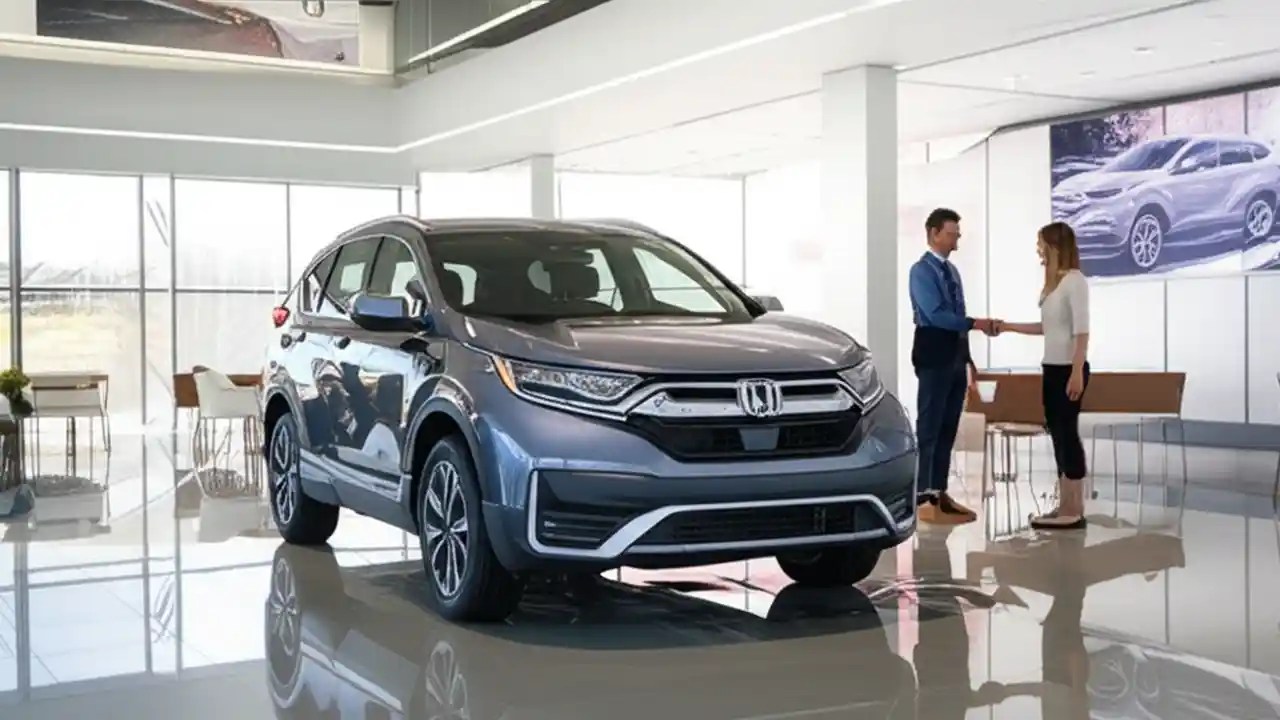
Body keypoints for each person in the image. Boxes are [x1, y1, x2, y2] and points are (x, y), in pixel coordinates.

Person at [992, 221, 1091, 530]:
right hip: (1051, 368)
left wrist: (1077, 371)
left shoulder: (1075, 281)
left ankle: (1074, 508)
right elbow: (1047, 329)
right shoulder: (1053, 287)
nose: (1038, 251)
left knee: (1067, 434)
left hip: (1068, 369)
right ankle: (1064, 505)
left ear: (1054, 246)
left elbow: (1082, 332)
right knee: (1057, 434)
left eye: (1041, 245)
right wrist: (1008, 327)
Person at [908, 208, 998, 525]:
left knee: (948, 426)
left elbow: (958, 315)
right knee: (930, 426)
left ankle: (939, 491)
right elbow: (935, 315)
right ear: (933, 234)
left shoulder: (953, 272)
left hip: (956, 355)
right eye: (951, 234)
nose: (956, 241)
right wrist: (976, 323)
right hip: (933, 352)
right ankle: (923, 496)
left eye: (957, 235)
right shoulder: (921, 271)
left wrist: (968, 357)